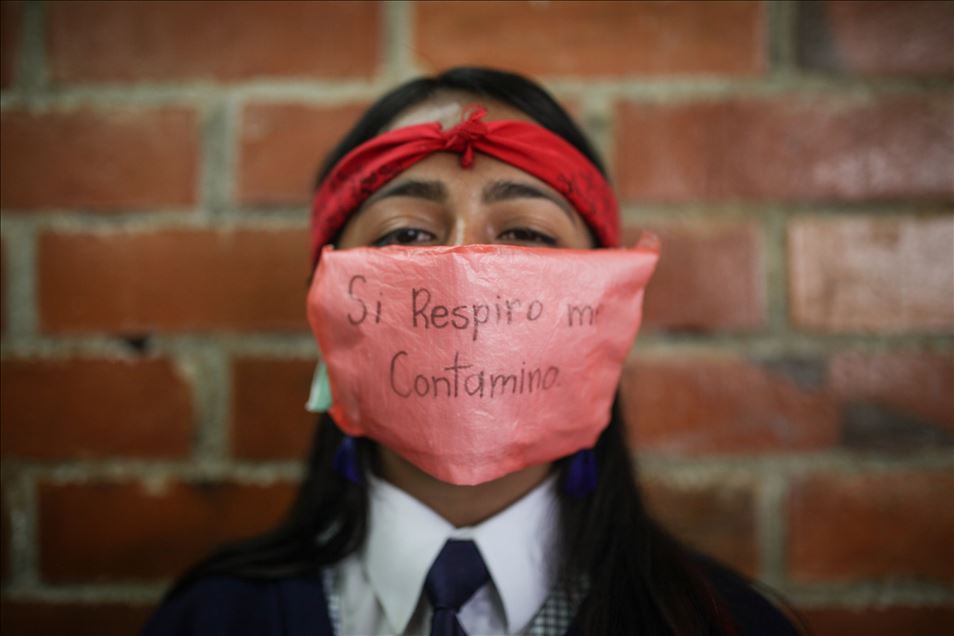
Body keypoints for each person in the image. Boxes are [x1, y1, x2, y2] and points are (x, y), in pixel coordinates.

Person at [143, 67, 800, 636]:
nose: (463, 268)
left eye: (525, 232)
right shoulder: (211, 620)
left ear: (604, 307)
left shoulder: (724, 623)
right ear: (326, 305)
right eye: (406, 232)